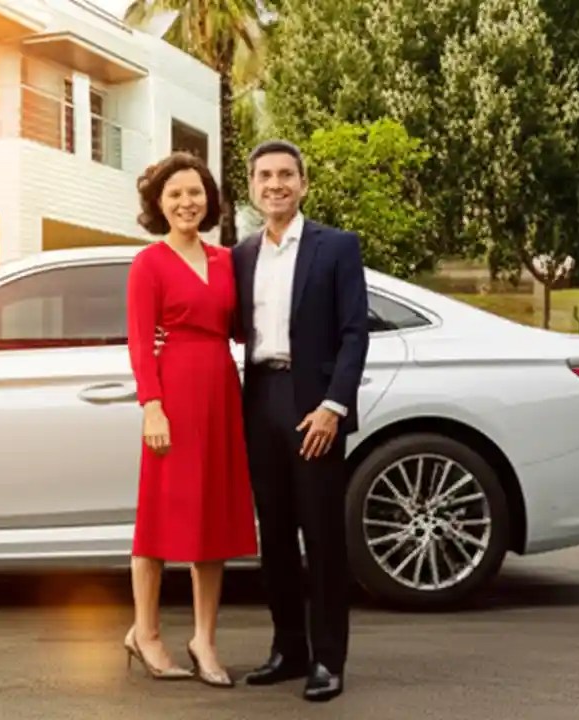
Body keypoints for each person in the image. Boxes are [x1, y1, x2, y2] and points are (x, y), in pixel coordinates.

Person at [232, 139, 369, 702]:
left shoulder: (336, 247)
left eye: (286, 174)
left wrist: (333, 407)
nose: (276, 184)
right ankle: (288, 650)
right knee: (277, 539)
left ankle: (328, 660)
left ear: (303, 184)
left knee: (322, 537)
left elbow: (355, 332)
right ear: (253, 187)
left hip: (313, 406)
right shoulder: (241, 254)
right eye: (265, 176)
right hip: (260, 397)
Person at [124, 151, 258, 688]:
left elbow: (246, 327)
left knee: (214, 519)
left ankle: (204, 638)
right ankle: (146, 632)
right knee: (158, 517)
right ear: (159, 203)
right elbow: (140, 341)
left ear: (210, 201)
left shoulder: (228, 260)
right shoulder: (149, 264)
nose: (187, 201)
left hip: (222, 392)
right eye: (175, 193)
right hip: (172, 396)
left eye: (196, 191)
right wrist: (151, 405)